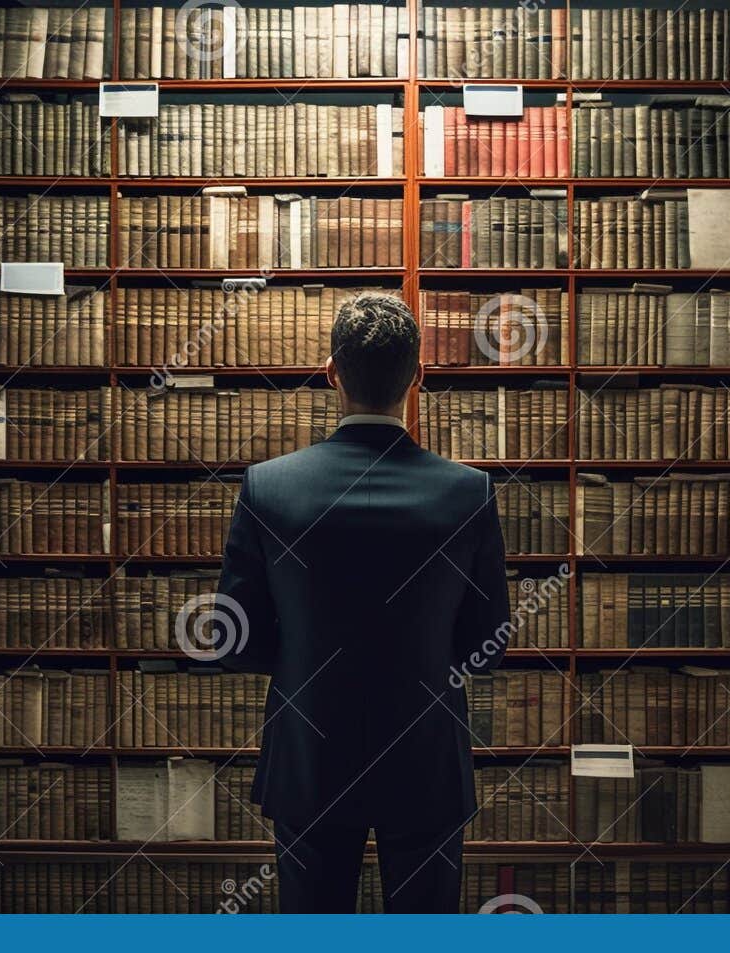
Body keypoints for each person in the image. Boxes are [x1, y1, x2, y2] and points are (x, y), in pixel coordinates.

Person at [215, 291, 511, 913]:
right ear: (418, 378)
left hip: (309, 760)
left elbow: (236, 639)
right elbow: (487, 647)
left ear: (332, 374)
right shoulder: (469, 494)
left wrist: (306, 657)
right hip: (425, 762)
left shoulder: (268, 487)